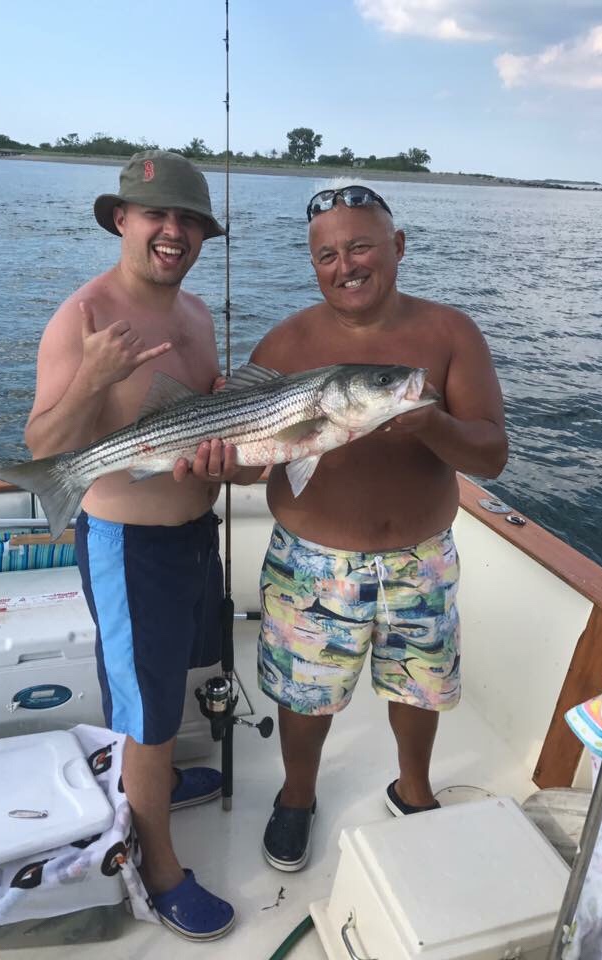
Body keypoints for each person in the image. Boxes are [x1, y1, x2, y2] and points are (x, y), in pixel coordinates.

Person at [249, 183, 509, 872]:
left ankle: (413, 787)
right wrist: (221, 456)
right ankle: (298, 794)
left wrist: (434, 424)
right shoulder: (285, 341)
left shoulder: (450, 335)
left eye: (361, 245)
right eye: (327, 254)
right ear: (314, 266)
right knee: (306, 695)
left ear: (397, 246)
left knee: (419, 685)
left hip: (420, 559)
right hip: (311, 564)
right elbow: (246, 467)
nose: (346, 265)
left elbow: (492, 453)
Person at [24, 150, 241, 940]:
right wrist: (92, 375)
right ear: (122, 218)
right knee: (147, 711)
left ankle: (152, 781)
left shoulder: (197, 315)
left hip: (194, 534)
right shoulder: (82, 317)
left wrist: (224, 430)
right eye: (157, 215)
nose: (173, 232)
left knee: (174, 674)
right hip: (128, 545)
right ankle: (157, 864)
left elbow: (200, 421)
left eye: (189, 220)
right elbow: (45, 445)